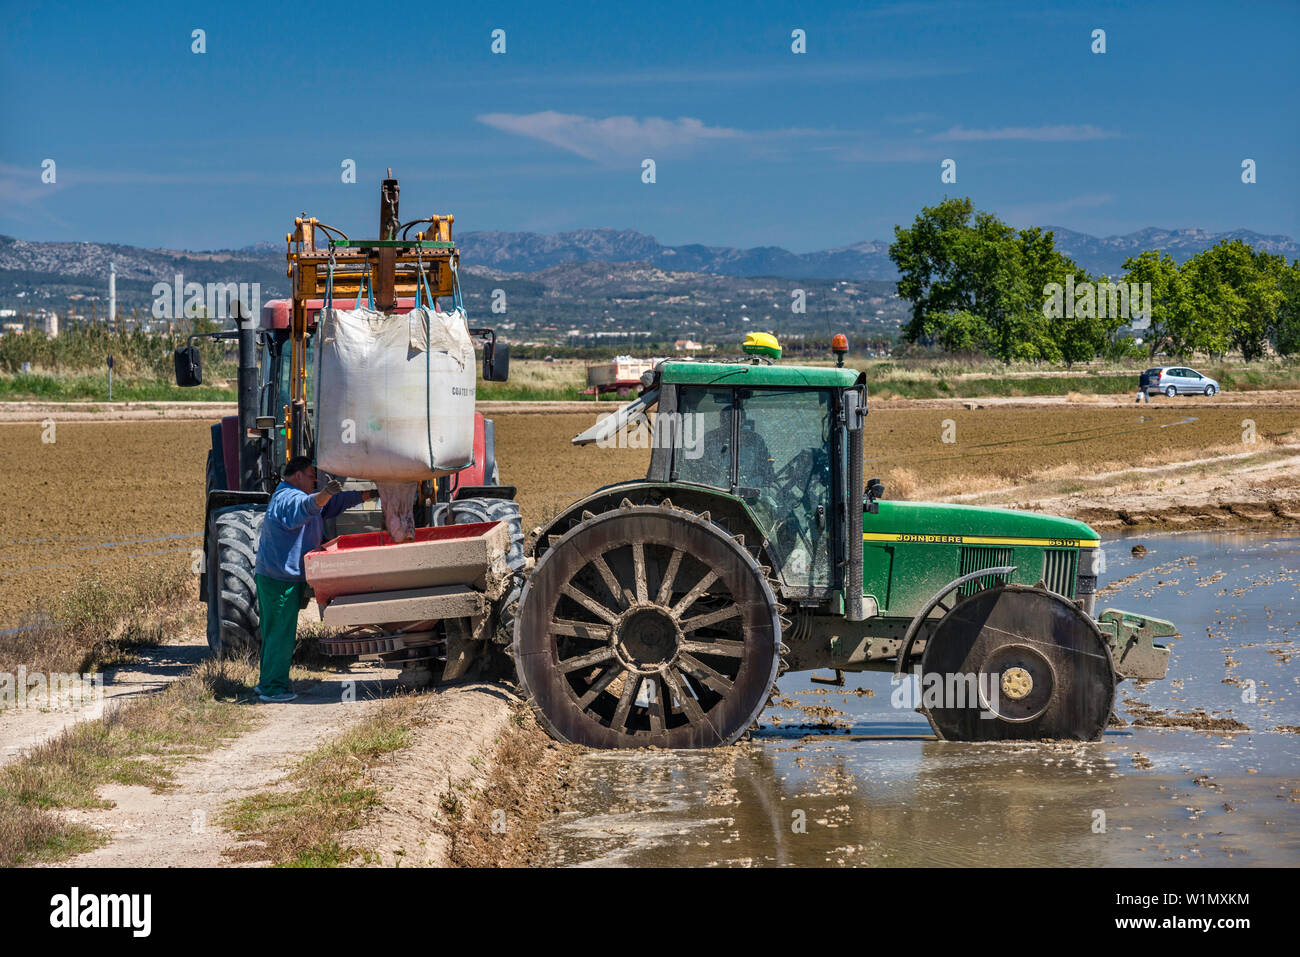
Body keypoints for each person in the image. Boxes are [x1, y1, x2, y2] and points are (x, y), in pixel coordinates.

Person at [253, 456, 376, 703]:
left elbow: (331, 504)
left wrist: (368, 494)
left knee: (274, 631)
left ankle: (267, 681)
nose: (315, 481)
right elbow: (307, 506)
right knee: (280, 634)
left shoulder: (296, 495)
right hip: (280, 580)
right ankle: (273, 689)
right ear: (297, 475)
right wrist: (324, 493)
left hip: (278, 576)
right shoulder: (288, 498)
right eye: (312, 476)